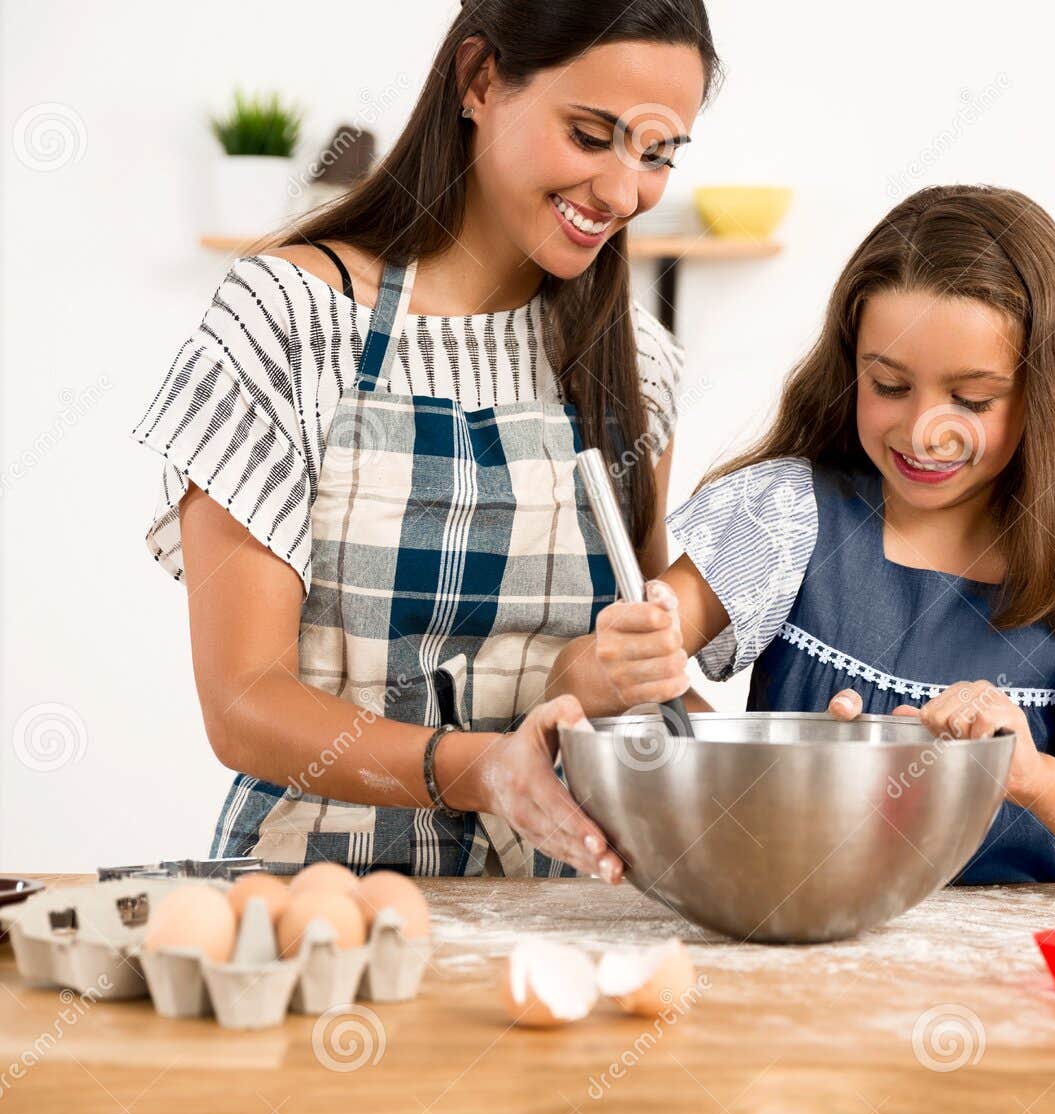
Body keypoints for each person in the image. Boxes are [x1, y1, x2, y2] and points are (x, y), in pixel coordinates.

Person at [131, 0, 719, 878]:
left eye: (657, 154)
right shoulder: (290, 322)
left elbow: (639, 678)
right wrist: (485, 771)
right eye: (591, 135)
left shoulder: (638, 366)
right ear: (479, 79)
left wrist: (787, 764)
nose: (623, 191)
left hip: (565, 916)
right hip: (318, 900)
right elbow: (244, 703)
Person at [550, 185, 1055, 896]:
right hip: (805, 943)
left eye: (972, 399)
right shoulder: (786, 517)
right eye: (890, 385)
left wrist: (1030, 774)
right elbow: (574, 681)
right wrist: (644, 679)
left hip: (1009, 963)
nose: (923, 430)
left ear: (1046, 396)